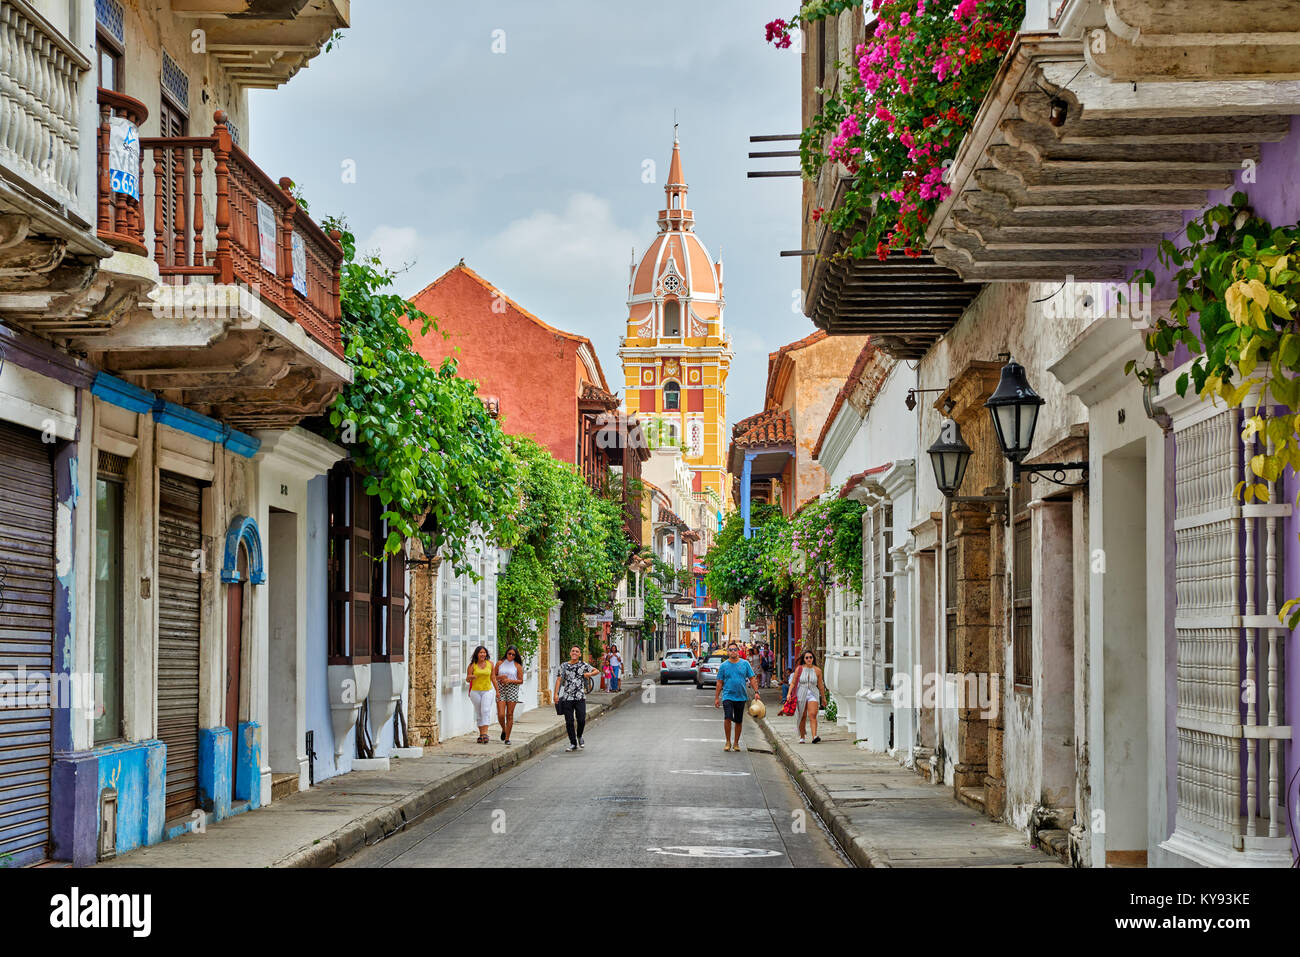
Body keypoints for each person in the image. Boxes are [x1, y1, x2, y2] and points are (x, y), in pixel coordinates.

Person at [553, 645, 601, 752]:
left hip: (580, 697)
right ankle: (573, 743)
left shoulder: (583, 665)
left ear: (579, 654)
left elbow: (596, 671)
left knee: (581, 719)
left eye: (577, 651)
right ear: (570, 653)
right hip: (567, 697)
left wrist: (589, 674)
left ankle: (579, 736)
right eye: (573, 651)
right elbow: (559, 680)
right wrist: (555, 694)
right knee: (569, 721)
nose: (574, 652)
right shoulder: (564, 665)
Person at [713, 641, 758, 752]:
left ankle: (736, 743)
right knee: (727, 717)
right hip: (727, 696)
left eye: (735, 649)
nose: (733, 651)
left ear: (738, 651)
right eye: (731, 650)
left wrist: (756, 691)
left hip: (741, 696)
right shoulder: (723, 666)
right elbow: (719, 682)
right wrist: (716, 698)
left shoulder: (745, 664)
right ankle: (728, 742)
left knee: (738, 720)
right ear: (728, 652)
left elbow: (752, 678)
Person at [785, 649, 827, 744]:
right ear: (804, 659)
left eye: (810, 657)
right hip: (801, 692)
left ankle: (814, 736)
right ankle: (802, 736)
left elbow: (820, 685)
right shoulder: (799, 669)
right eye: (807, 657)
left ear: (813, 658)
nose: (809, 659)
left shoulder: (817, 670)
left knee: (812, 714)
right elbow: (793, 683)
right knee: (802, 716)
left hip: (813, 693)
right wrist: (789, 694)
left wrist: (823, 697)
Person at [465, 645, 499, 744]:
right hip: (475, 691)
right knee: (479, 712)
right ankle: (481, 734)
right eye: (480, 652)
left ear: (486, 654)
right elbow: (467, 680)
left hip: (487, 690)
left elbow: (493, 678)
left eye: (484, 652)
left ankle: (485, 733)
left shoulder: (490, 664)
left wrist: (497, 691)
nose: (482, 654)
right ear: (477, 654)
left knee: (485, 710)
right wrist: (470, 677)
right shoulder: (472, 665)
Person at [494, 645, 524, 746]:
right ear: (506, 653)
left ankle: (507, 738)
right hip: (501, 688)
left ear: (516, 656)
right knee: (501, 714)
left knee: (509, 714)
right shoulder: (499, 663)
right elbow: (493, 677)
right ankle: (504, 729)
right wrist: (501, 677)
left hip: (512, 689)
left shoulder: (517, 666)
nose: (511, 655)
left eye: (513, 654)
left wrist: (510, 680)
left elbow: (521, 680)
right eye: (509, 653)